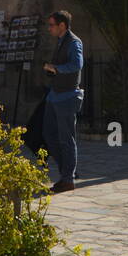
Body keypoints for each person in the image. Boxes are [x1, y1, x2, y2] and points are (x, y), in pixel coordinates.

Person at [42, 10, 84, 193]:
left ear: (62, 25)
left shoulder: (74, 42)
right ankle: (67, 172)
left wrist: (56, 68)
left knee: (66, 139)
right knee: (49, 134)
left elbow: (77, 64)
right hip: (54, 95)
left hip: (66, 97)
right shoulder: (60, 41)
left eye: (52, 25)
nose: (49, 28)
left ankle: (67, 179)